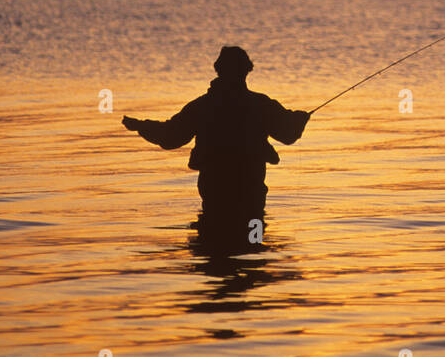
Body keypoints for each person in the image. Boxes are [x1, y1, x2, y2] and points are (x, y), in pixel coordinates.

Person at [122, 46, 309, 234]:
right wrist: (299, 120)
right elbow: (288, 134)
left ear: (218, 70)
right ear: (246, 71)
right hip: (250, 193)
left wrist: (141, 126)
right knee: (253, 249)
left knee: (212, 248)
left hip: (215, 192)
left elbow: (171, 136)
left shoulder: (202, 106)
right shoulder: (261, 105)